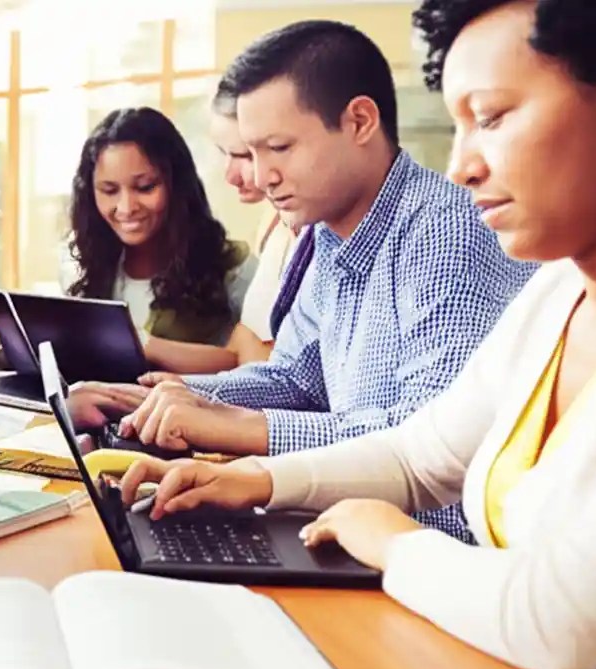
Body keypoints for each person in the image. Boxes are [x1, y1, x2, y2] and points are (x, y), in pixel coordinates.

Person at [121, 0, 596, 669]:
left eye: (491, 118)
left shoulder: (448, 234)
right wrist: (252, 479)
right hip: (486, 659)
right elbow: (420, 454)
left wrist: (393, 542)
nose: (461, 166)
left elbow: (563, 621)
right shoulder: (558, 294)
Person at [69, 19, 537, 542]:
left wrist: (243, 430)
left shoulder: (444, 230)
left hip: (421, 543)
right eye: (251, 152)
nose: (261, 176)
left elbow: (427, 447)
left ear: (359, 122)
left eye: (279, 148)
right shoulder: (328, 237)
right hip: (342, 524)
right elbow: (293, 379)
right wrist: (156, 400)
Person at [66, 107, 257, 375]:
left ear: (176, 185)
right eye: (109, 190)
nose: (126, 207)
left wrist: (142, 344)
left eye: (145, 187)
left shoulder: (234, 266)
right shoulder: (86, 266)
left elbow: (257, 364)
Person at [210, 87, 304, 358]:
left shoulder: (320, 236)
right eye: (223, 153)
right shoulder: (272, 224)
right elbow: (243, 357)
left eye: (244, 156)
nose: (230, 176)